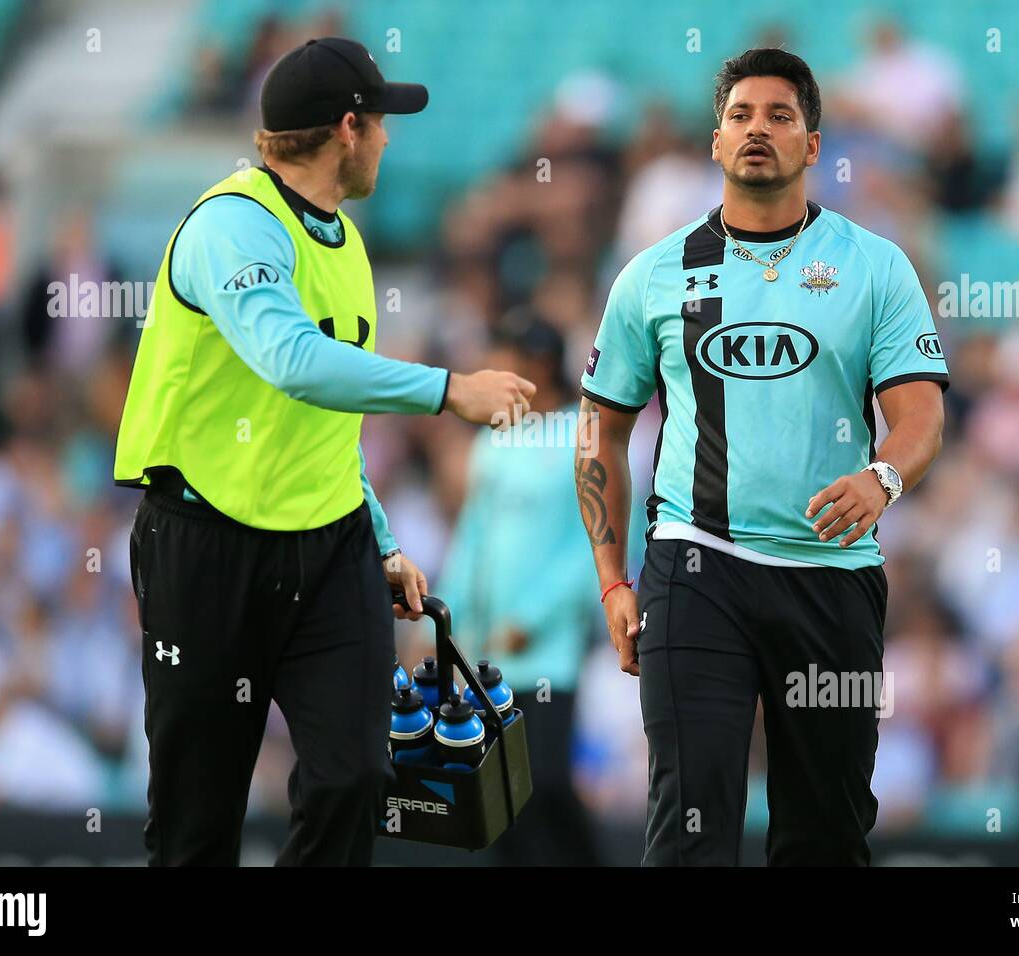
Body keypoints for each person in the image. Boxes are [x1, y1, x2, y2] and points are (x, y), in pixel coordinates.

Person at [112, 37, 535, 866]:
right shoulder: (232, 227)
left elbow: (327, 424)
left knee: (353, 779)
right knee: (197, 824)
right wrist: (452, 388)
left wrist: (379, 536)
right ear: (347, 128)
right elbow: (294, 363)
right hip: (207, 548)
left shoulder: (341, 237)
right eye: (381, 122)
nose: (389, 139)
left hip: (331, 544)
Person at [575, 49, 948, 866]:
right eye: (741, 115)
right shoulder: (653, 274)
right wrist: (612, 578)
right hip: (694, 565)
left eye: (780, 116)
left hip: (833, 577)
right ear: (715, 142)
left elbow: (921, 416)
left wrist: (882, 476)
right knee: (691, 825)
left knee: (827, 832)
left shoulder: (875, 266)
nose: (757, 130)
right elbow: (600, 428)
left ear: (813, 146)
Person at [438, 309, 601, 866]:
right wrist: (443, 618)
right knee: (498, 798)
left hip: (547, 651)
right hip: (487, 654)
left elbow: (592, 548)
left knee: (547, 782)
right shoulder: (494, 443)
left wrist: (530, 618)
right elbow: (472, 542)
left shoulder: (580, 440)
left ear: (535, 366)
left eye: (503, 360)